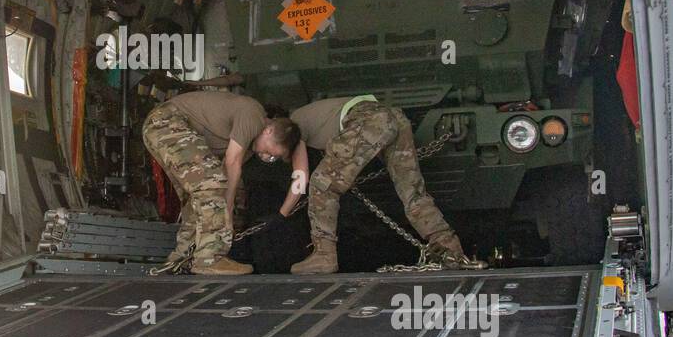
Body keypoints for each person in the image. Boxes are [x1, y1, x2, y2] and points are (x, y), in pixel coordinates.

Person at [287, 95, 483, 274]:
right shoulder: (309, 118)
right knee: (413, 193)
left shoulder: (293, 123)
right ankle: (449, 248)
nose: (266, 155)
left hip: (371, 120)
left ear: (271, 127)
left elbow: (301, 171)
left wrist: (284, 210)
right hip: (394, 117)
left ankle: (324, 255)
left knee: (322, 184)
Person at [143, 91, 301, 274]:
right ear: (269, 130)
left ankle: (180, 259)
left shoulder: (249, 146)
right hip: (168, 120)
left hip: (161, 127)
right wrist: (227, 206)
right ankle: (210, 258)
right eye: (272, 152)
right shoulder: (253, 115)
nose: (267, 156)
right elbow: (231, 164)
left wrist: (227, 209)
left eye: (273, 158)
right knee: (212, 185)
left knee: (199, 196)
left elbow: (227, 176)